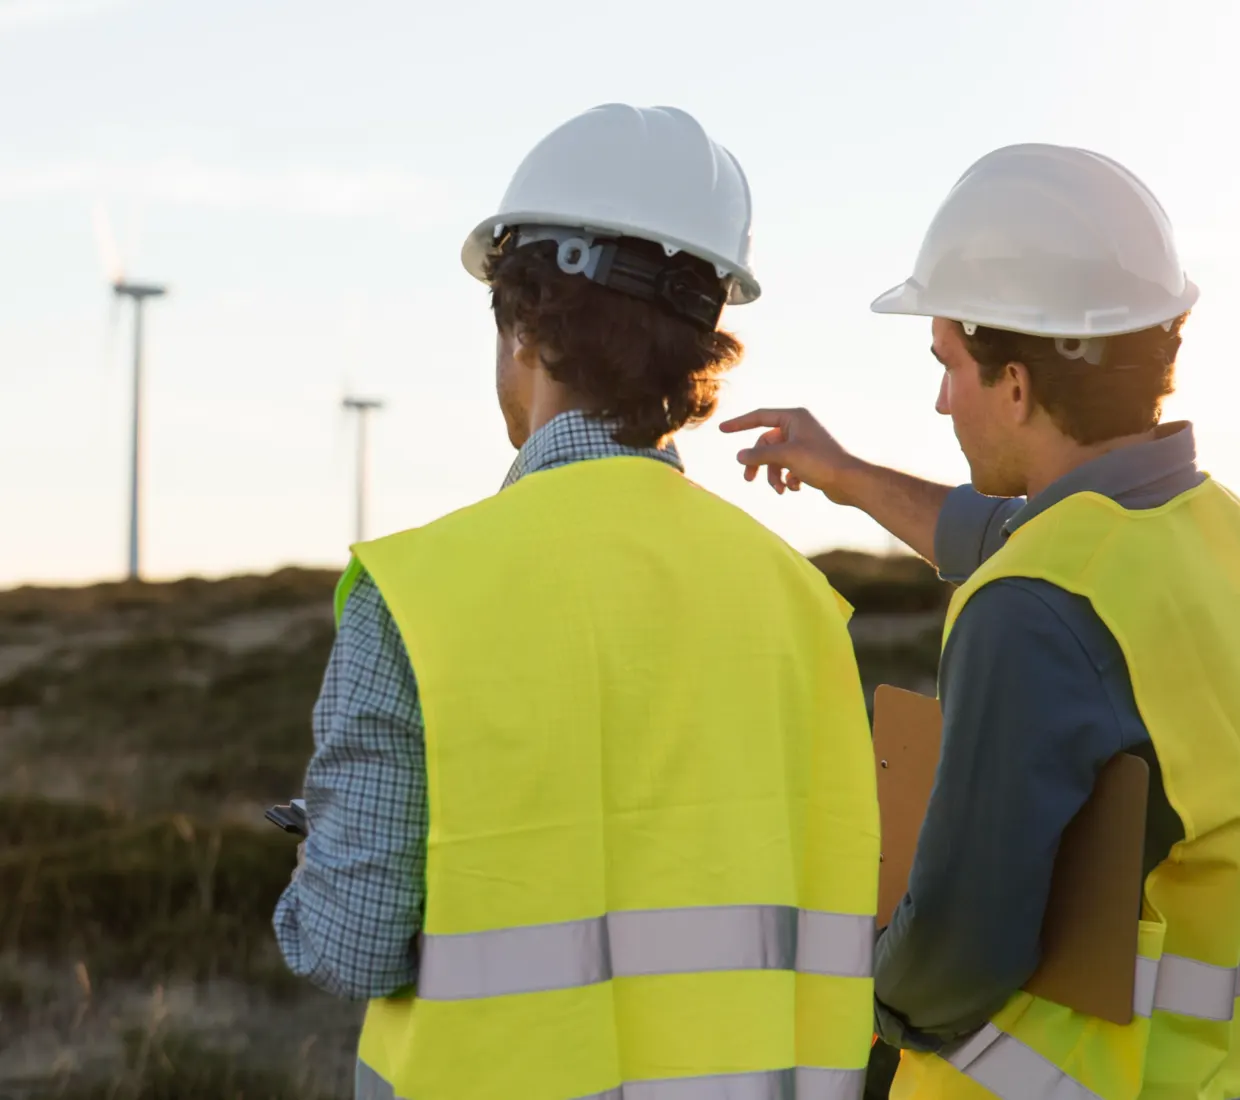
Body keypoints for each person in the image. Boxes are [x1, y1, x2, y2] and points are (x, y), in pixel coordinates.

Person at [273, 103, 881, 1100]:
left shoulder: (419, 596)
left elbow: (351, 944)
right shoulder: (803, 607)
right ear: (698, 353)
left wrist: (326, 859)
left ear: (523, 326)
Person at [724, 142, 1240, 1100]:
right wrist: (848, 478)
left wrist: (869, 984)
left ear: (1015, 383)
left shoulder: (1030, 611)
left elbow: (958, 952)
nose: (939, 399)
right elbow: (1003, 534)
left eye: (948, 364)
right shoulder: (1205, 531)